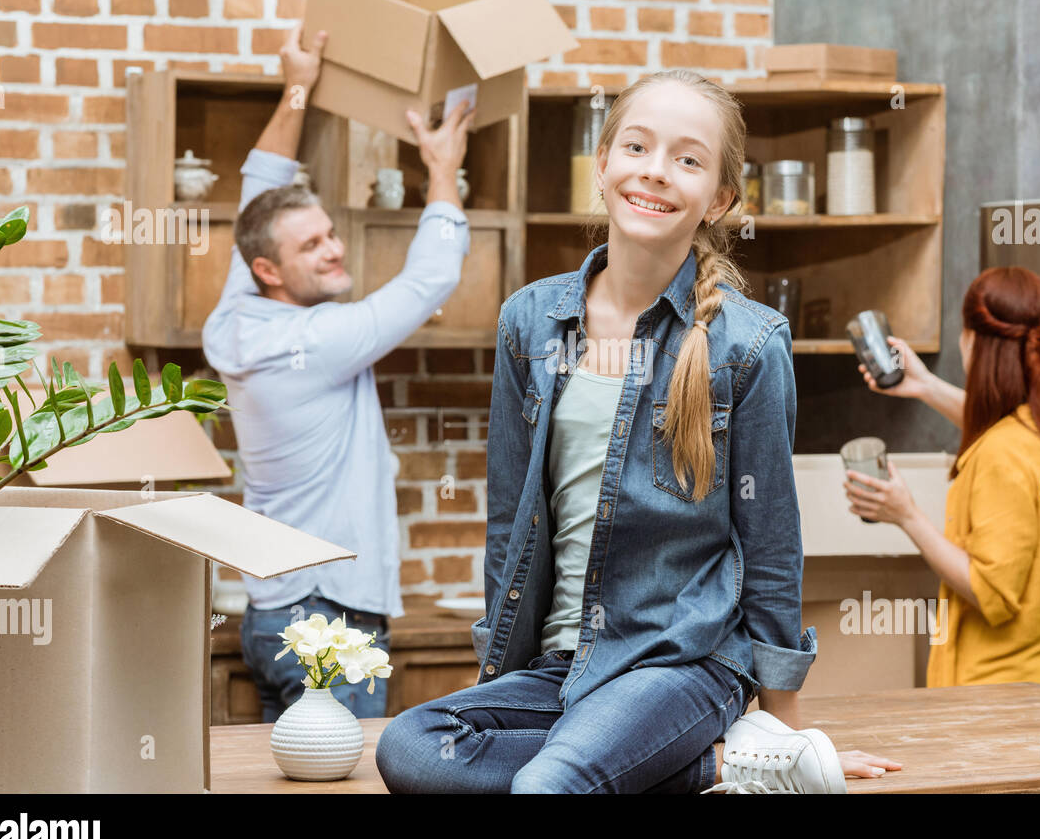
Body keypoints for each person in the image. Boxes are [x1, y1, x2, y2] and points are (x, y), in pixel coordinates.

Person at [375, 68, 902, 793]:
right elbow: (511, 520)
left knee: (544, 786)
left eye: (688, 159)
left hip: (680, 664)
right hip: (559, 666)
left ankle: (739, 747)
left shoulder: (748, 344)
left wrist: (788, 726)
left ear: (718, 198)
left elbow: (772, 544)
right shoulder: (531, 321)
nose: (655, 171)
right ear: (602, 164)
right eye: (637, 146)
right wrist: (495, 675)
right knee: (411, 745)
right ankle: (714, 765)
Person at [201, 22, 475, 721]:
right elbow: (430, 278)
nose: (333, 250)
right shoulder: (319, 340)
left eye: (328, 232)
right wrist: (442, 169)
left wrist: (300, 82)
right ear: (271, 270)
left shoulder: (237, 314)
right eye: (312, 245)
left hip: (270, 617)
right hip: (331, 620)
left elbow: (260, 186)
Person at [844, 266, 1040, 689]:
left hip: (995, 695)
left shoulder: (999, 456)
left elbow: (988, 591)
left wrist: (906, 516)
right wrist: (926, 387)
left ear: (974, 340)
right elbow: (1000, 428)